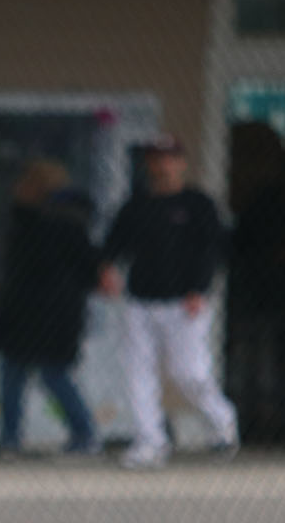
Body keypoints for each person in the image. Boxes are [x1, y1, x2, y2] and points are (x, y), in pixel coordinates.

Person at [100, 135, 239, 470]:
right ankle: (150, 441)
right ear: (149, 164)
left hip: (184, 302)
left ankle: (221, 419)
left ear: (181, 163)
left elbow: (213, 249)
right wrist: (106, 269)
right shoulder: (136, 205)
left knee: (187, 370)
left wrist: (198, 289)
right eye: (157, 159)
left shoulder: (197, 204)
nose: (163, 166)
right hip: (140, 301)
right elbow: (113, 245)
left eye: (170, 159)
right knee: (138, 371)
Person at [0, 159, 100, 457]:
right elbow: (90, 270)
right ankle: (80, 433)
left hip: (34, 309)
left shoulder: (33, 224)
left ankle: (14, 437)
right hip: (51, 310)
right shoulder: (72, 224)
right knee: (36, 373)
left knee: (29, 373)